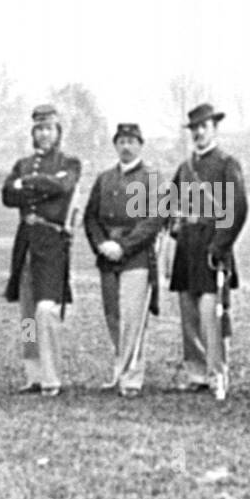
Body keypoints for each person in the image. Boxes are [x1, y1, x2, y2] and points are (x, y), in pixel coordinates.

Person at [168, 103, 249, 401]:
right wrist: (173, 223)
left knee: (210, 313)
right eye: (195, 129)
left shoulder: (228, 164)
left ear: (214, 128)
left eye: (204, 127)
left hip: (213, 241)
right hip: (187, 242)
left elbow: (237, 209)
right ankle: (197, 373)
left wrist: (220, 246)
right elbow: (170, 200)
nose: (199, 133)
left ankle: (218, 373)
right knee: (188, 311)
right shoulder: (186, 167)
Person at [1, 104, 82, 397]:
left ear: (58, 131)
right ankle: (32, 373)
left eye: (49, 129)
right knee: (26, 315)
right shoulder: (21, 164)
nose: (44, 134)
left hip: (52, 241)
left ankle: (51, 376)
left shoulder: (69, 162)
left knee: (46, 311)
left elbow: (63, 186)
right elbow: (8, 195)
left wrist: (29, 184)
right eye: (39, 129)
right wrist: (34, 185)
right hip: (26, 241)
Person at [84, 123, 167, 397]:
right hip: (108, 255)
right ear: (115, 145)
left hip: (136, 255)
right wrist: (101, 245)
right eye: (121, 141)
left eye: (132, 141)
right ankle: (120, 367)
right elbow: (91, 217)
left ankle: (132, 375)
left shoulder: (151, 178)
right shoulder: (105, 178)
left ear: (140, 145)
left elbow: (154, 220)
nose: (126, 146)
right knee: (113, 315)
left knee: (133, 315)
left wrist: (124, 246)